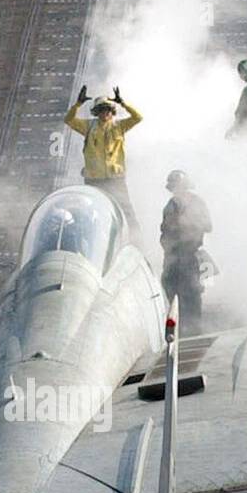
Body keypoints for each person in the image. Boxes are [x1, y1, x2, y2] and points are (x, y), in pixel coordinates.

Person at [64, 85, 142, 235]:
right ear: (96, 112)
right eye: (101, 110)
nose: (104, 113)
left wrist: (123, 103)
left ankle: (137, 243)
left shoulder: (120, 126)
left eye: (107, 109)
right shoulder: (88, 126)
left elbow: (138, 117)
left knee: (127, 212)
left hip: (115, 179)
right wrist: (78, 104)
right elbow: (69, 120)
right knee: (93, 213)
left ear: (112, 111)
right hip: (94, 180)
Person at [159, 170, 212, 328]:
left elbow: (208, 226)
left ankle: (194, 331)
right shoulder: (170, 206)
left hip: (190, 258)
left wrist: (188, 224)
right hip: (173, 259)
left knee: (193, 295)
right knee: (171, 290)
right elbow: (165, 232)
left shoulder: (197, 203)